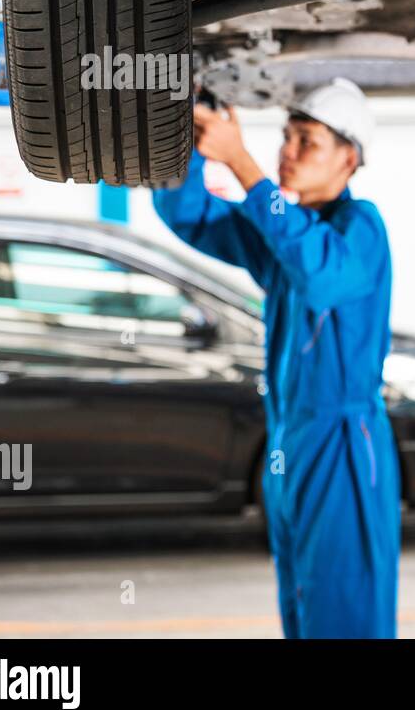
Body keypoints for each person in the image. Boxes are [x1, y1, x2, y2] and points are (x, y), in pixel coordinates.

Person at [153, 77, 399, 638]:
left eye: (306, 141)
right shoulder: (280, 232)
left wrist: (241, 162)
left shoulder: (360, 229)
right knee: (303, 606)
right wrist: (188, 137)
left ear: (349, 158)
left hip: (343, 446)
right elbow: (189, 213)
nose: (286, 152)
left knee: (344, 612)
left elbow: (319, 275)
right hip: (289, 443)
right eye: (285, 137)